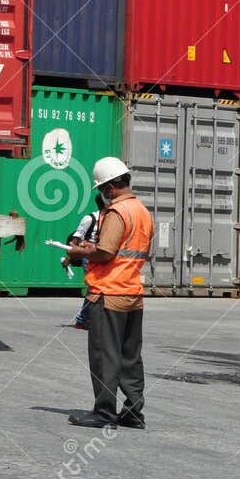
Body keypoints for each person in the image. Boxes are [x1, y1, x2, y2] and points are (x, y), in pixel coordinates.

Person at [64, 156, 152, 429]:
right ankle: (133, 413)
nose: (103, 195)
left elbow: (105, 251)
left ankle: (104, 413)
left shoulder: (117, 212)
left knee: (104, 355)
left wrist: (75, 251)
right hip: (132, 293)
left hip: (109, 293)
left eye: (102, 190)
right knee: (129, 357)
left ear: (110, 188)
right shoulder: (142, 211)